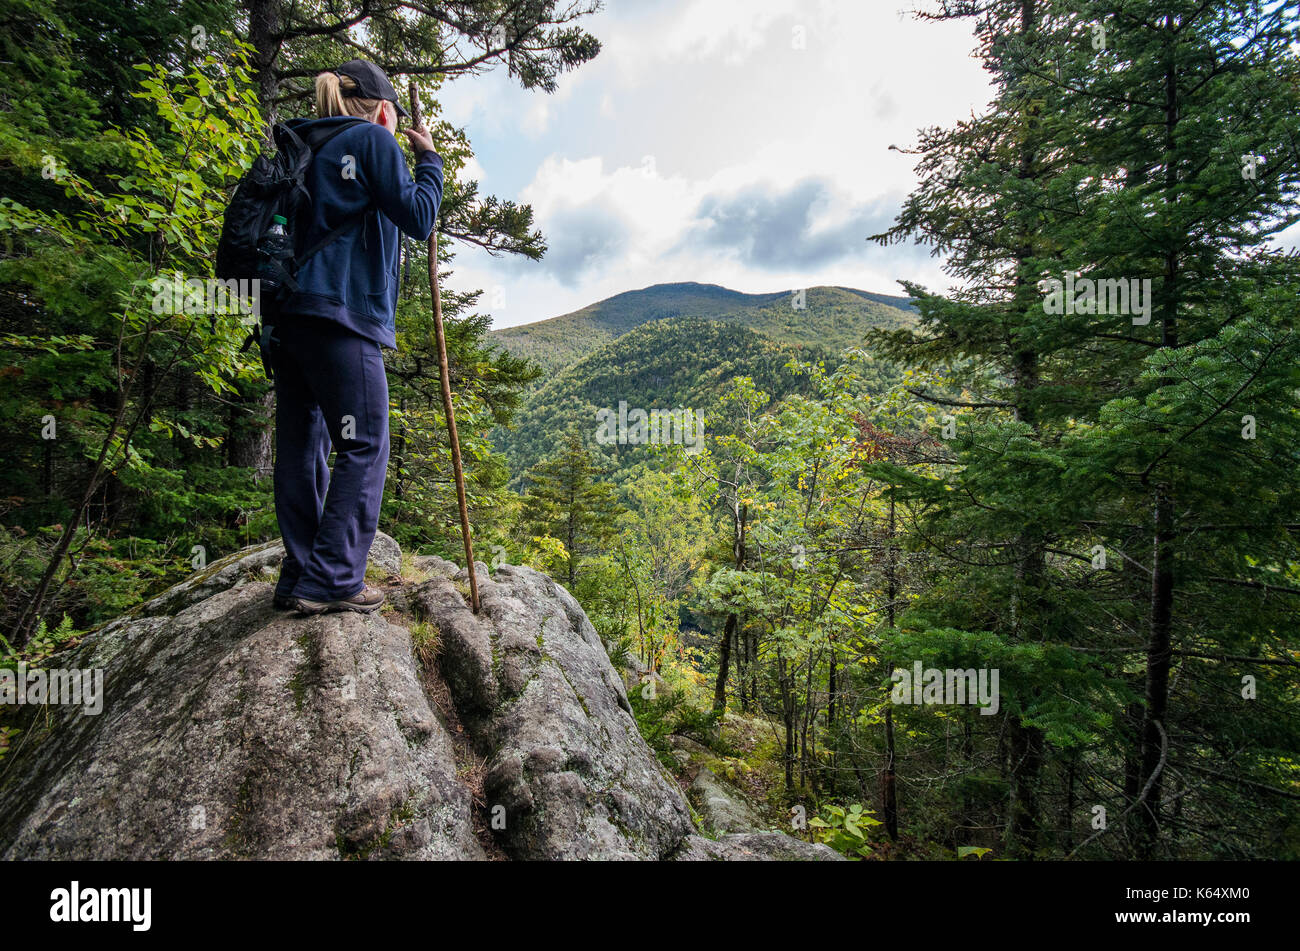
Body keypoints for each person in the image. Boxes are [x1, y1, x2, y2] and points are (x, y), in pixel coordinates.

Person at [269, 59, 443, 615]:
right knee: (364, 442)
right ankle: (336, 579)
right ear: (385, 110)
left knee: (302, 445)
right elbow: (417, 217)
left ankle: (299, 574)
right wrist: (430, 161)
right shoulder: (371, 140)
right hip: (340, 316)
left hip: (284, 318)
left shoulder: (294, 145)